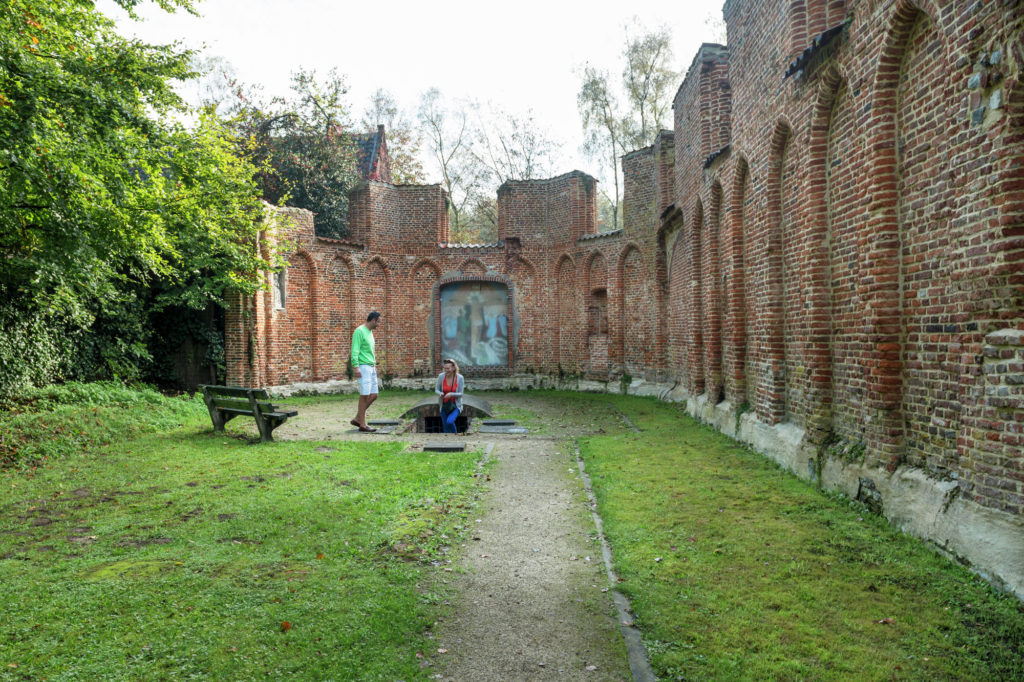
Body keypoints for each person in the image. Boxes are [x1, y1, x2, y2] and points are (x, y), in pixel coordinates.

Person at [350, 311, 381, 432]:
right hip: (363, 367)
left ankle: (358, 418)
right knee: (364, 395)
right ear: (373, 320)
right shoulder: (360, 331)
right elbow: (355, 350)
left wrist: (374, 364)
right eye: (378, 322)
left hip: (371, 366)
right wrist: (356, 367)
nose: (379, 325)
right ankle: (362, 424)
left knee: (374, 395)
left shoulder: (370, 332)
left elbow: (370, 351)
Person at [435, 358, 465, 434]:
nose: (446, 370)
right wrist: (440, 393)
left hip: (455, 405)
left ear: (454, 368)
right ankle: (447, 443)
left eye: (448, 368)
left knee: (450, 421)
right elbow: (436, 390)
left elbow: (461, 394)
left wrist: (451, 394)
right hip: (444, 405)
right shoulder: (441, 376)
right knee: (445, 427)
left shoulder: (460, 378)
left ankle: (456, 436)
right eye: (444, 368)